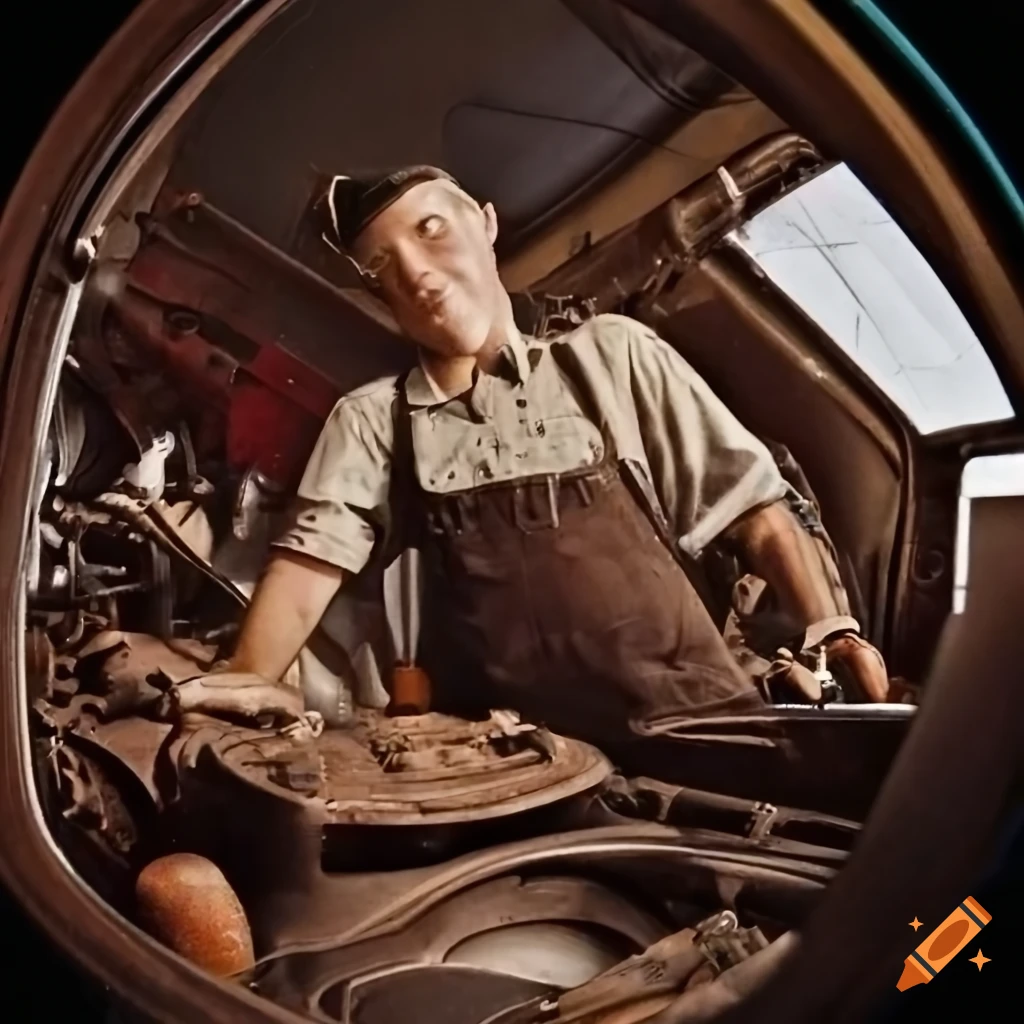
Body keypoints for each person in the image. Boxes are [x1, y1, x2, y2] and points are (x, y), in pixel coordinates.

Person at [227, 165, 888, 746]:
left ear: (485, 223)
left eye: (430, 230)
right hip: (509, 762)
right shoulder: (375, 420)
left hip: (700, 727)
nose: (416, 274)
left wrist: (832, 630)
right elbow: (303, 578)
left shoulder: (612, 356)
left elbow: (757, 512)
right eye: (382, 266)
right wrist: (239, 694)